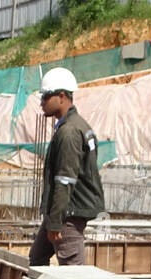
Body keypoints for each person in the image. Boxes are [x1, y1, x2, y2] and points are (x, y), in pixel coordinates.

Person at [29, 68, 106, 267]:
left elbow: (65, 179)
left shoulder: (70, 131)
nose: (42, 102)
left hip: (68, 212)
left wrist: (56, 221)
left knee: (73, 272)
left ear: (62, 96)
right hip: (64, 209)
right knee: (37, 258)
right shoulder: (75, 125)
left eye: (46, 97)